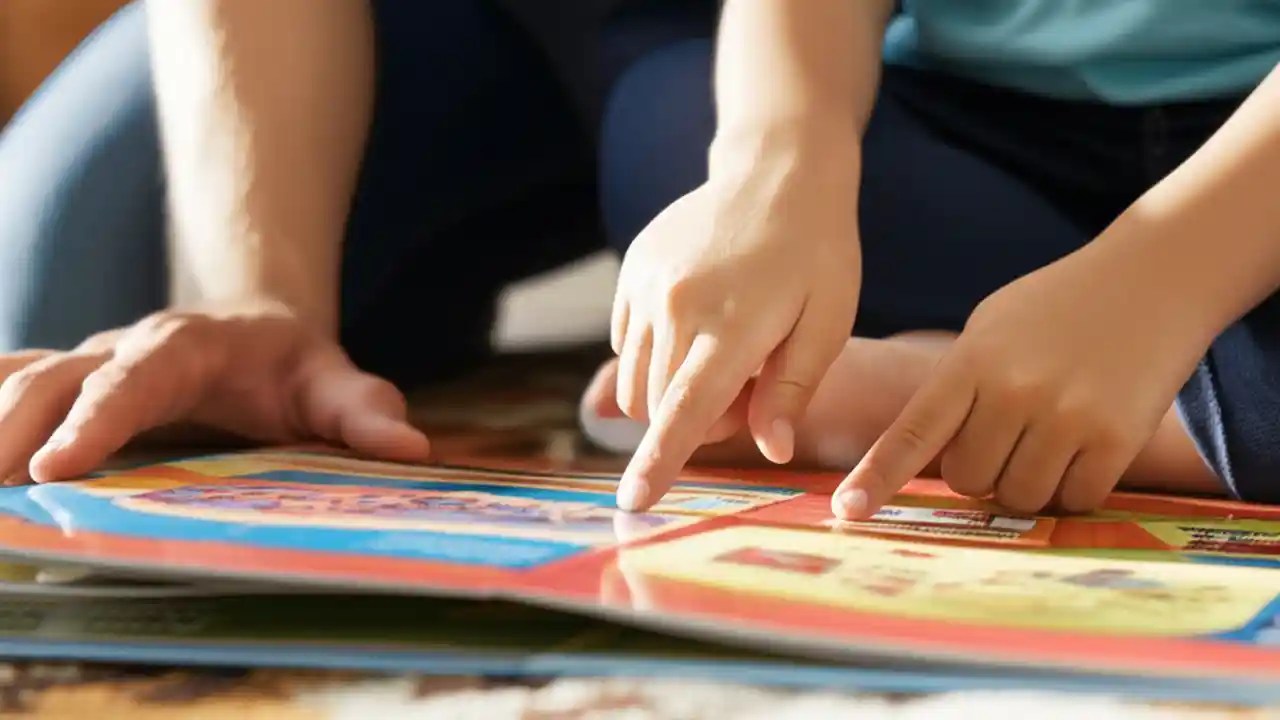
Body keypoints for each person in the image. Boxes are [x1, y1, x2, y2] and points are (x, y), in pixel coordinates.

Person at [3, 2, 1280, 522]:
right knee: (52, 284)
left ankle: (955, 390)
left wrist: (1157, 277)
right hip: (874, 96)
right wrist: (255, 294)